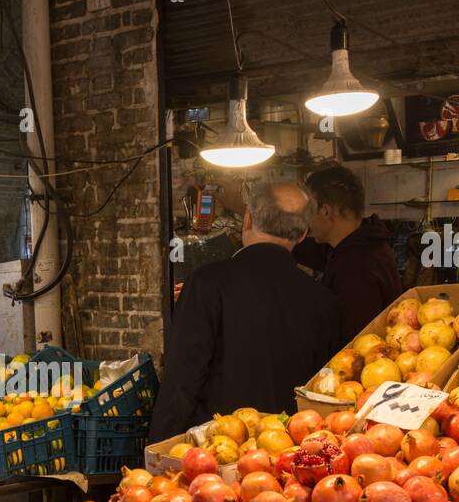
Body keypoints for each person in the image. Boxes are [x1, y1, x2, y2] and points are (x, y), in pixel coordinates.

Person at [150, 181, 343, 439]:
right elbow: (326, 393)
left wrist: (157, 451)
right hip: (288, 457)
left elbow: (181, 380)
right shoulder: (326, 302)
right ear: (302, 234)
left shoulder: (207, 284)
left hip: (214, 453)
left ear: (248, 219)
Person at [294, 164, 401, 342]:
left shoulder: (357, 268)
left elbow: (354, 344)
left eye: (308, 211)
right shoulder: (364, 241)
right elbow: (308, 250)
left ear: (326, 211)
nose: (305, 219)